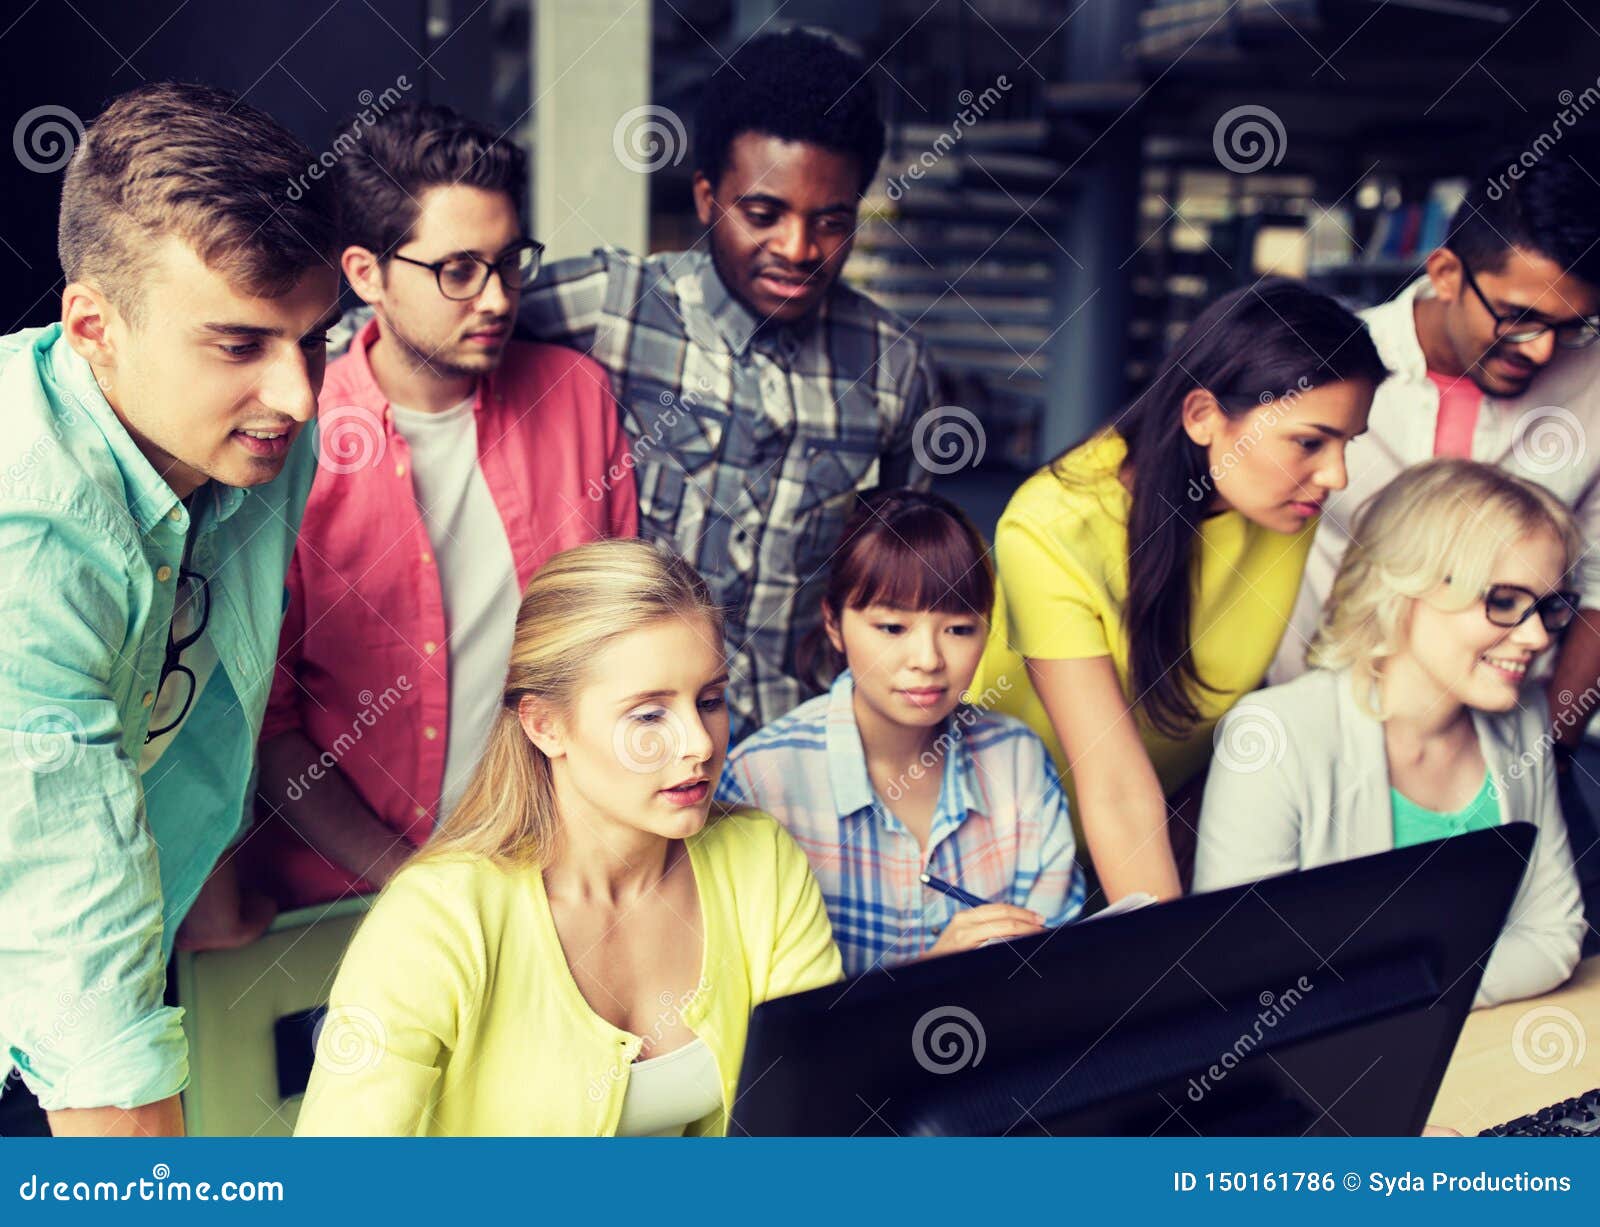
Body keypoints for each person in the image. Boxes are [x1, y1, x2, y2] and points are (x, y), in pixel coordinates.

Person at [190, 104, 633, 935]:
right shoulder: (291, 438)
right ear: (365, 273)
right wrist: (424, 886)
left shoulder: (575, 396)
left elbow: (612, 654)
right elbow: (267, 730)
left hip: (548, 887)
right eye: (459, 270)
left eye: (509, 264)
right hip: (342, 911)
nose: (497, 298)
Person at [0, 83, 340, 1137]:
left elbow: (186, 670)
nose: (300, 396)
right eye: (239, 344)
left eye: (315, 339)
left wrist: (209, 863)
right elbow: (72, 925)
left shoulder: (252, 434)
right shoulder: (27, 539)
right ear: (93, 326)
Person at [294, 540, 841, 1136]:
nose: (701, 744)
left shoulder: (759, 859)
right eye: (649, 715)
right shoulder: (438, 915)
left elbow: (816, 1115)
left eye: (709, 701)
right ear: (545, 725)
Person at [513, 28, 940, 741]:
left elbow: (900, 589)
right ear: (709, 197)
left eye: (831, 222)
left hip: (794, 757)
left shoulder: (894, 367)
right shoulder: (614, 305)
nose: (798, 249)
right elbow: (422, 326)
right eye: (764, 214)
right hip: (619, 751)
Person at [969, 279, 1386, 903]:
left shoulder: (1282, 500)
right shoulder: (1054, 526)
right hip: (1011, 848)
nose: (1336, 475)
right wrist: (1167, 963)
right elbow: (1110, 781)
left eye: (1347, 443)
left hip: (1160, 829)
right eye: (1310, 442)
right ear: (1203, 417)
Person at [1198, 460, 1585, 1009]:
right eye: (1502, 601)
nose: (1535, 636)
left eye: (1551, 608)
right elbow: (1240, 975)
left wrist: (1398, 993)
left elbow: (1553, 936)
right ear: (1403, 587)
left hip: (1477, 1052)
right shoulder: (1272, 737)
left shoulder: (1523, 722)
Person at [717, 489, 1084, 976]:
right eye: (892, 628)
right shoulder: (758, 782)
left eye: (959, 629)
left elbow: (1056, 974)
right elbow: (756, 1011)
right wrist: (930, 975)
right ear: (833, 625)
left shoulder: (1017, 761)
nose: (929, 660)